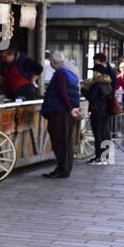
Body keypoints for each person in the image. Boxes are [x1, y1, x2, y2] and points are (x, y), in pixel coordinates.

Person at [40, 50, 81, 179]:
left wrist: (69, 108)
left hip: (59, 111)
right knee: (66, 141)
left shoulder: (60, 74)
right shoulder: (71, 72)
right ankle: (65, 168)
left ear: (52, 62)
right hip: (67, 111)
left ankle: (62, 169)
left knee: (60, 142)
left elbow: (62, 93)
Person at [83, 61, 113, 163]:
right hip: (105, 110)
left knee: (98, 134)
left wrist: (84, 91)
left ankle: (98, 157)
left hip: (97, 111)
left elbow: (92, 98)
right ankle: (106, 155)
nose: (92, 73)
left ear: (97, 73)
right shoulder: (108, 83)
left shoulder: (96, 85)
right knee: (105, 133)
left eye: (94, 71)